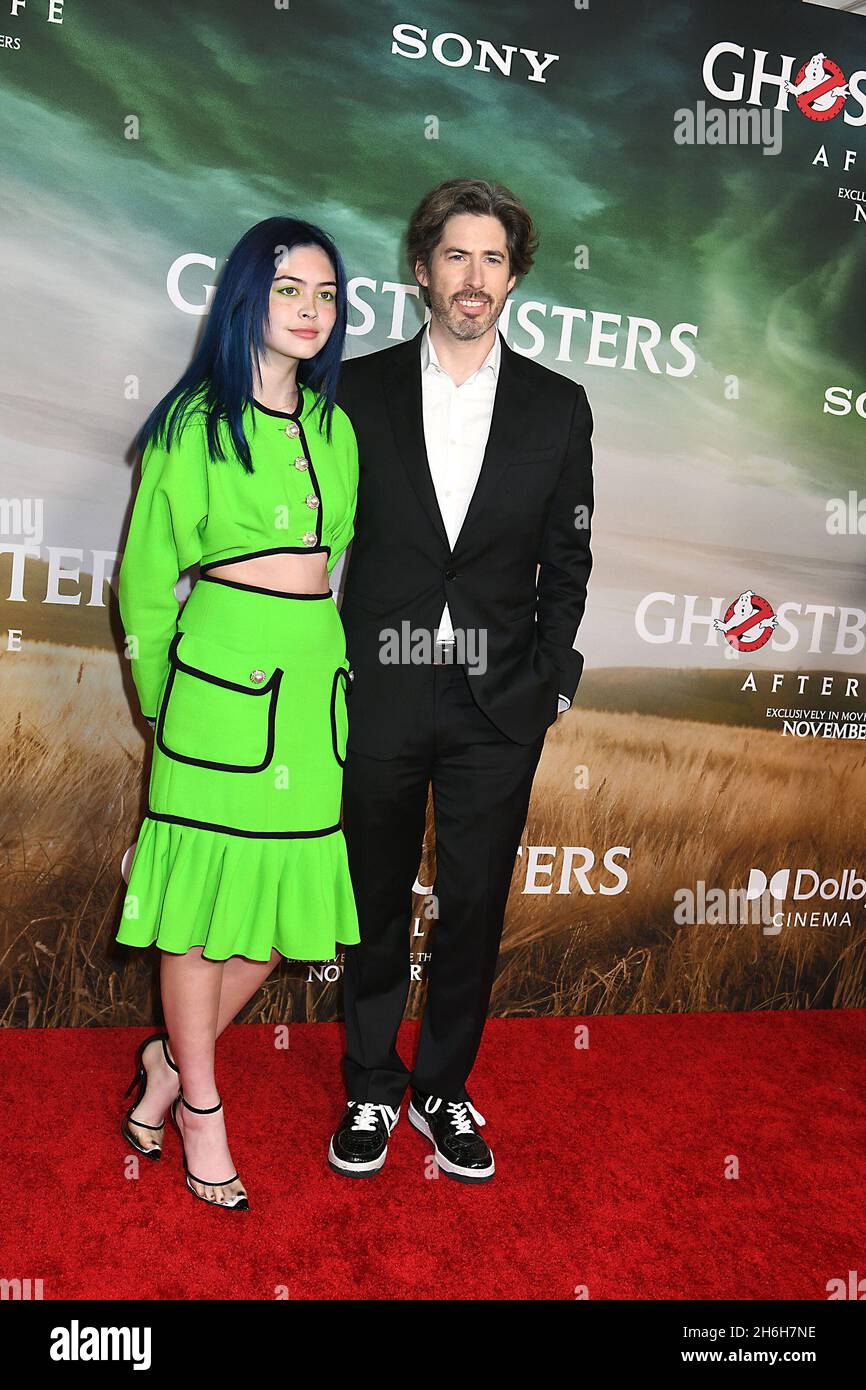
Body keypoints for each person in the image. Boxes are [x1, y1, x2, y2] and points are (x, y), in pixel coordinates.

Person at [328, 178, 594, 1184]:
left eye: (491, 259)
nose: (472, 276)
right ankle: (367, 1083)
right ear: (419, 269)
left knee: (472, 903)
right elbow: (316, 537)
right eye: (454, 255)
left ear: (513, 277)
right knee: (373, 895)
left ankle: (441, 1088)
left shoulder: (556, 407)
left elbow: (566, 562)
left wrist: (549, 682)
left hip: (496, 704)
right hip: (381, 687)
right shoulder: (353, 389)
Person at [115, 216, 359, 1210]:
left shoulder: (338, 427)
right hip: (215, 687)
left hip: (310, 688)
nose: (310, 310)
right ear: (245, 301)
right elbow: (139, 587)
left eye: (327, 295)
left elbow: (336, 559)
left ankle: (169, 1060)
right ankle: (203, 1108)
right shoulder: (190, 423)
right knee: (200, 919)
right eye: (289, 289)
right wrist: (173, 710)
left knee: (276, 918)